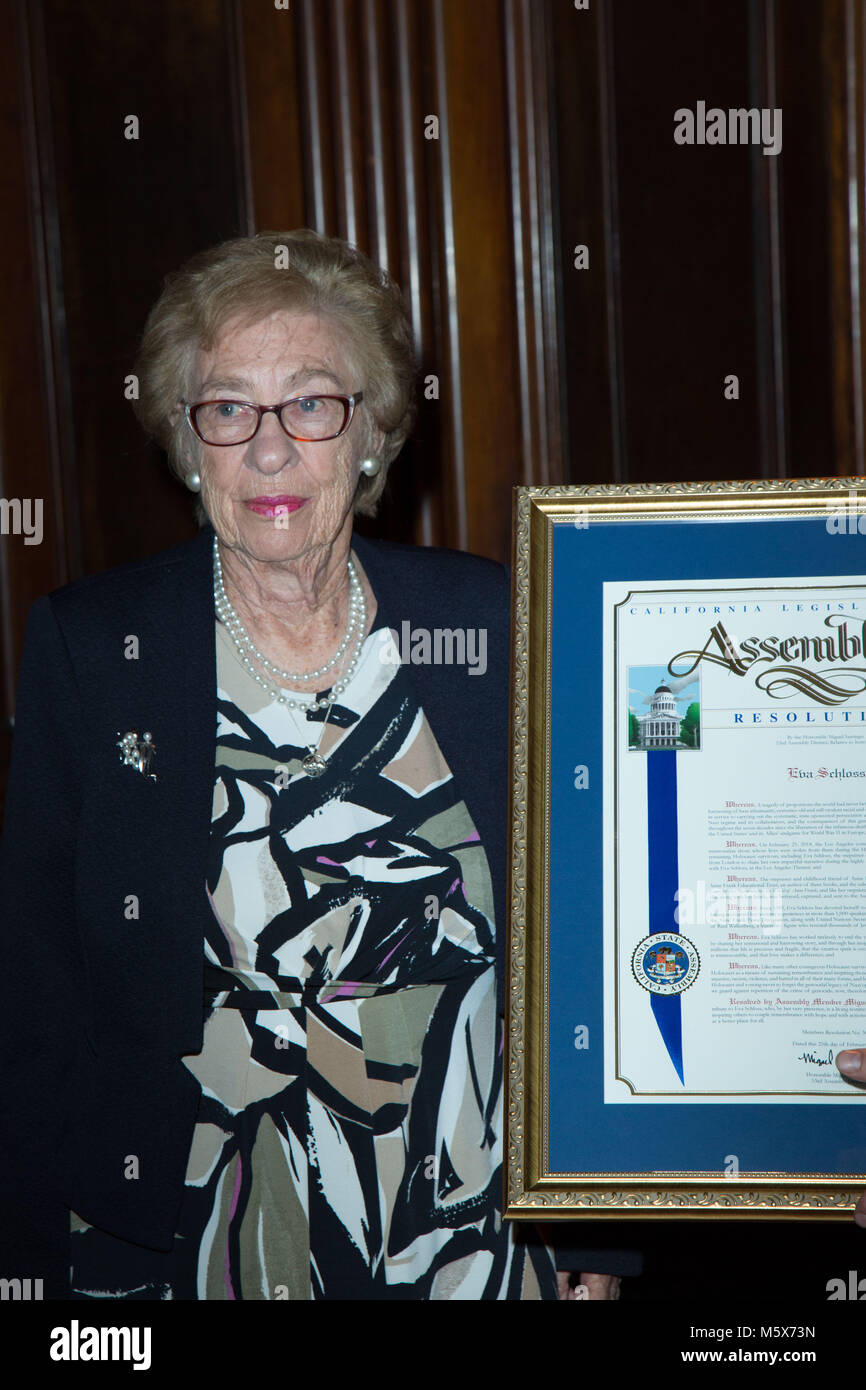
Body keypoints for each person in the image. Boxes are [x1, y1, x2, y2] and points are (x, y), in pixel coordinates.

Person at [0, 229, 628, 1300]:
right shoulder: (98, 652)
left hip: (469, 1231)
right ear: (187, 445)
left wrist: (599, 1238)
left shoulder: (493, 622)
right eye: (229, 409)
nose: (270, 449)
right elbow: (35, 989)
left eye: (310, 403)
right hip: (197, 1240)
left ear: (371, 432)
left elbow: (588, 945)